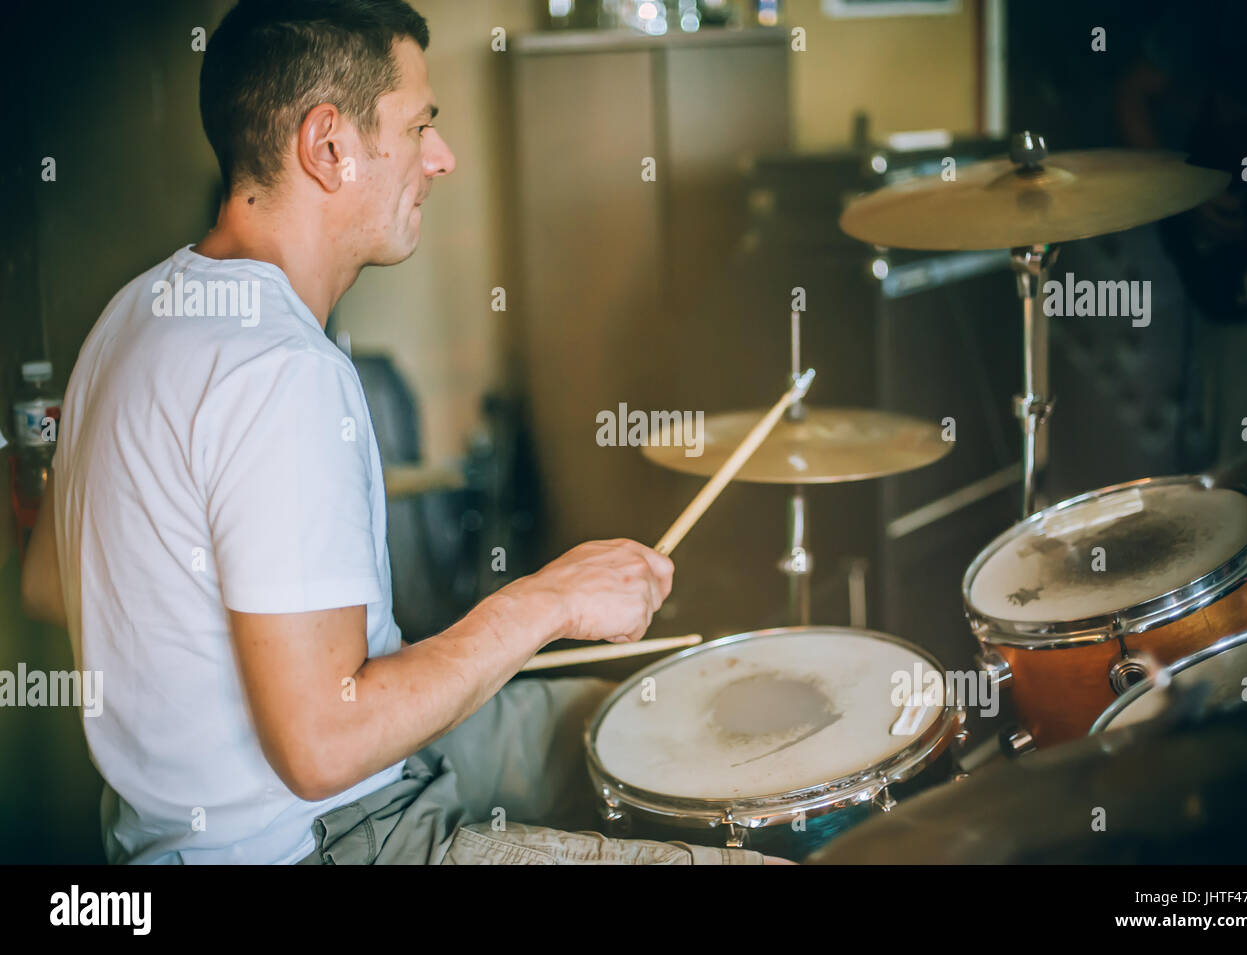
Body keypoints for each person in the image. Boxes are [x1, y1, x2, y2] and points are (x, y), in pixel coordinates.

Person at [20, 0, 783, 865]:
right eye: (419, 125)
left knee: (630, 720)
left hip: (189, 831)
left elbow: (48, 584)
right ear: (328, 146)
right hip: (324, 838)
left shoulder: (132, 313)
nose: (441, 157)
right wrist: (549, 598)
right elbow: (323, 747)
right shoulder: (281, 372)